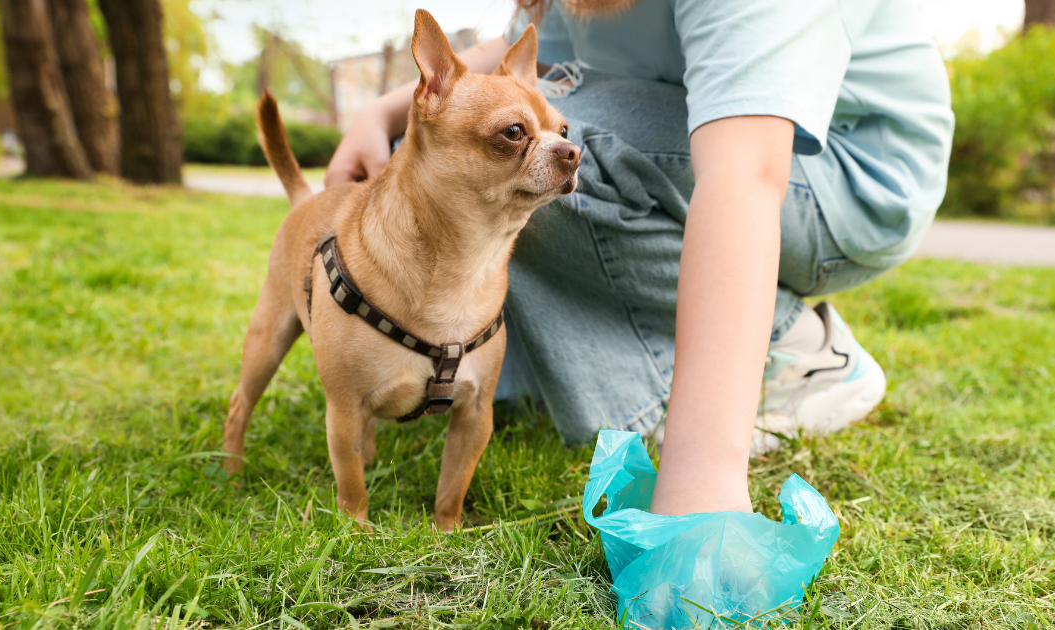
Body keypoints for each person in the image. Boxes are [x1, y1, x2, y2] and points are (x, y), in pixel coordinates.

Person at [326, 0, 954, 518]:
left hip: (843, 178)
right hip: (700, 143)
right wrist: (385, 114)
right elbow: (520, 50)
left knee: (553, 151)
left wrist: (701, 475)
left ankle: (786, 348)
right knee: (458, 150)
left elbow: (747, 173)